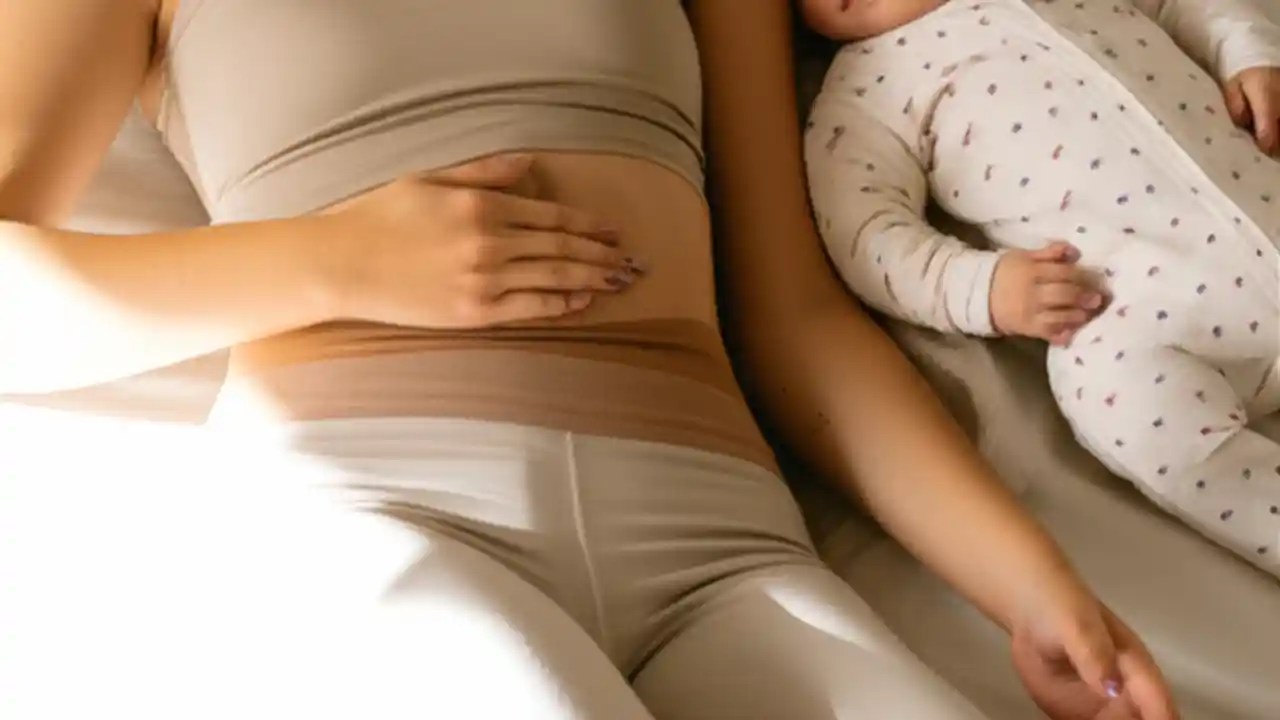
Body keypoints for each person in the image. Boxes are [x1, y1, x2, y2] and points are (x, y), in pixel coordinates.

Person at [0, 1, 1172, 718]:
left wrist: (1027, 585)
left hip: (725, 544)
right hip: (381, 506)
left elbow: (795, 323)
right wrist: (337, 261)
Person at [800, 0, 1280, 574]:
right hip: (1147, 302)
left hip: (1262, 174)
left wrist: (1250, 52)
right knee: (1104, 381)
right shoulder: (866, 86)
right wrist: (982, 288)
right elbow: (865, 232)